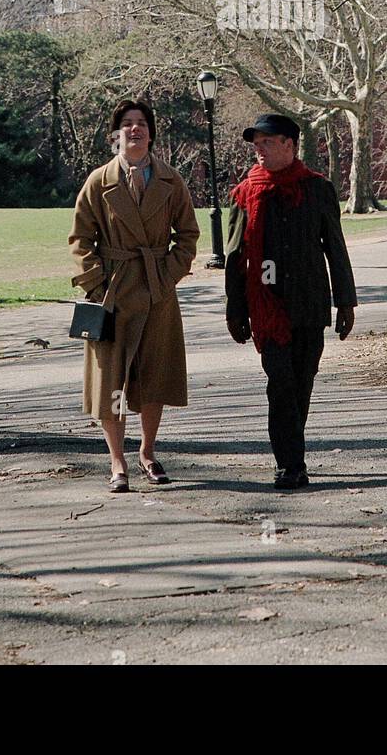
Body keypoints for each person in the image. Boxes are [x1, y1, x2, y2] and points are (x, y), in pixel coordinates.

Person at [69, 98, 199, 493]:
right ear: (116, 133)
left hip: (156, 292)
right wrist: (94, 282)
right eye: (127, 123)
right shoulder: (98, 181)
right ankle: (116, 461)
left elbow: (188, 236)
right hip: (112, 294)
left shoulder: (171, 181)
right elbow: (80, 238)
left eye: (141, 123)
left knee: (154, 375)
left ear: (151, 132)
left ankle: (147, 452)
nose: (135, 129)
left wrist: (167, 275)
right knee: (111, 382)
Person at [225, 114, 357, 490]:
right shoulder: (245, 193)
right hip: (267, 306)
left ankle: (291, 448)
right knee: (280, 382)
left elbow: (335, 247)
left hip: (311, 304)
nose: (259, 149)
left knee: (302, 381)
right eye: (256, 143)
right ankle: (290, 463)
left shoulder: (317, 189)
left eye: (267, 142)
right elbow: (236, 256)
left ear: (289, 145)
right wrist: (235, 309)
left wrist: (345, 303)